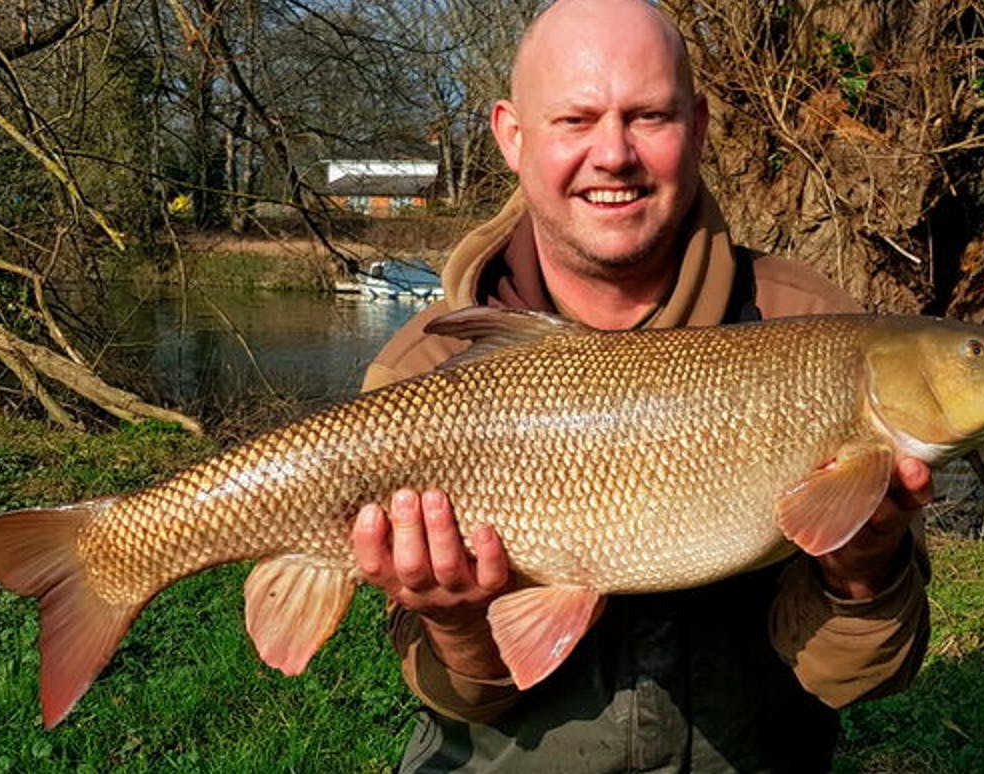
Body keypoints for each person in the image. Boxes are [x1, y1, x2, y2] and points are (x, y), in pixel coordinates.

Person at [351, 0, 933, 770]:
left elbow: (859, 679)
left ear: (696, 124)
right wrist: (460, 627)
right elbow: (456, 694)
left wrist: (864, 568)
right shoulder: (425, 366)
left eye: (648, 116)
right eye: (575, 120)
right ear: (512, 136)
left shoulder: (813, 327)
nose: (613, 154)